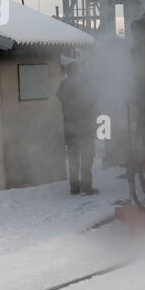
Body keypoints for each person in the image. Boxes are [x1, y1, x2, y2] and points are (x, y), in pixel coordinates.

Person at [57, 55, 98, 195]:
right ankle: (86, 187)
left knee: (73, 160)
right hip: (85, 129)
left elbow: (61, 102)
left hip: (70, 129)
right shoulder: (85, 85)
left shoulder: (63, 86)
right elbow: (92, 104)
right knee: (87, 159)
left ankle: (74, 187)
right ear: (79, 71)